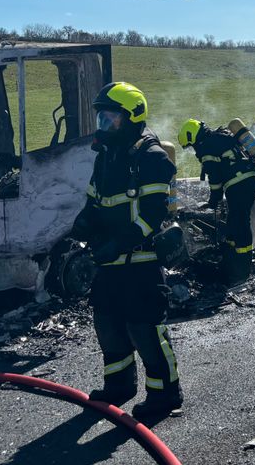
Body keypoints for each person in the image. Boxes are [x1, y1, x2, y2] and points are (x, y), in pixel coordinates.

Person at [69, 82, 182, 421]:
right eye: (101, 118)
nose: (103, 125)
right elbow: (94, 199)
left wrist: (119, 243)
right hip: (109, 260)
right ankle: (119, 386)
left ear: (132, 117)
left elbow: (153, 214)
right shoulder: (106, 156)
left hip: (141, 261)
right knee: (107, 322)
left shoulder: (152, 158)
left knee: (145, 328)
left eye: (110, 119)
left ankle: (165, 394)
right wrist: (84, 222)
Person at [178, 118, 255, 283]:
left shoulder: (206, 147)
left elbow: (215, 176)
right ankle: (232, 256)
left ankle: (242, 267)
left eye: (190, 145)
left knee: (240, 222)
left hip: (240, 182)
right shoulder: (219, 137)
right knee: (234, 220)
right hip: (248, 178)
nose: (193, 149)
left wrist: (214, 199)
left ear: (193, 138)